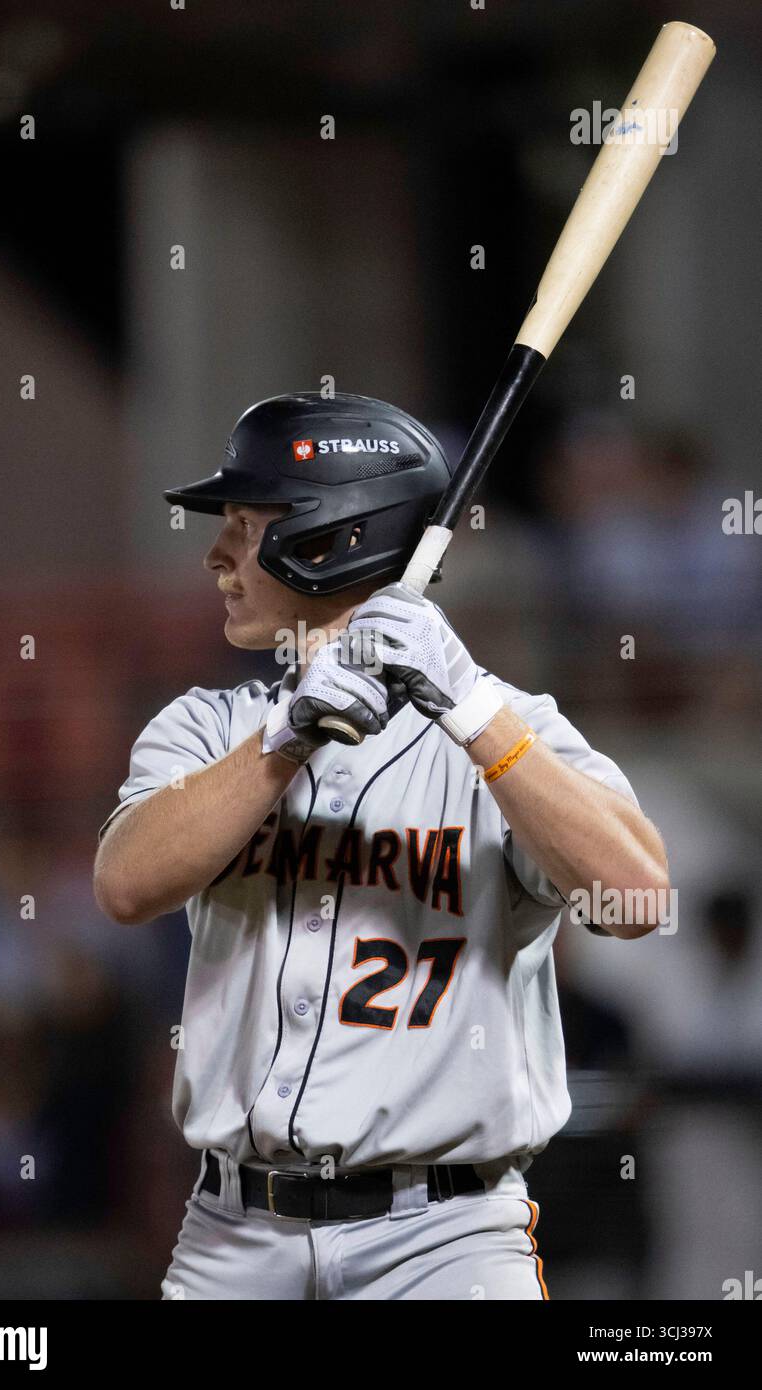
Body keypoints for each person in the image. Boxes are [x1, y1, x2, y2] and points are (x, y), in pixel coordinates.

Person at [93, 392, 668, 1301]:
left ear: (332, 537)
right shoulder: (211, 727)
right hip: (234, 1235)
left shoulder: (512, 730)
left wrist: (477, 714)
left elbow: (638, 899)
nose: (216, 557)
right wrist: (288, 735)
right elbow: (126, 885)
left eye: (245, 526)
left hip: (445, 1240)